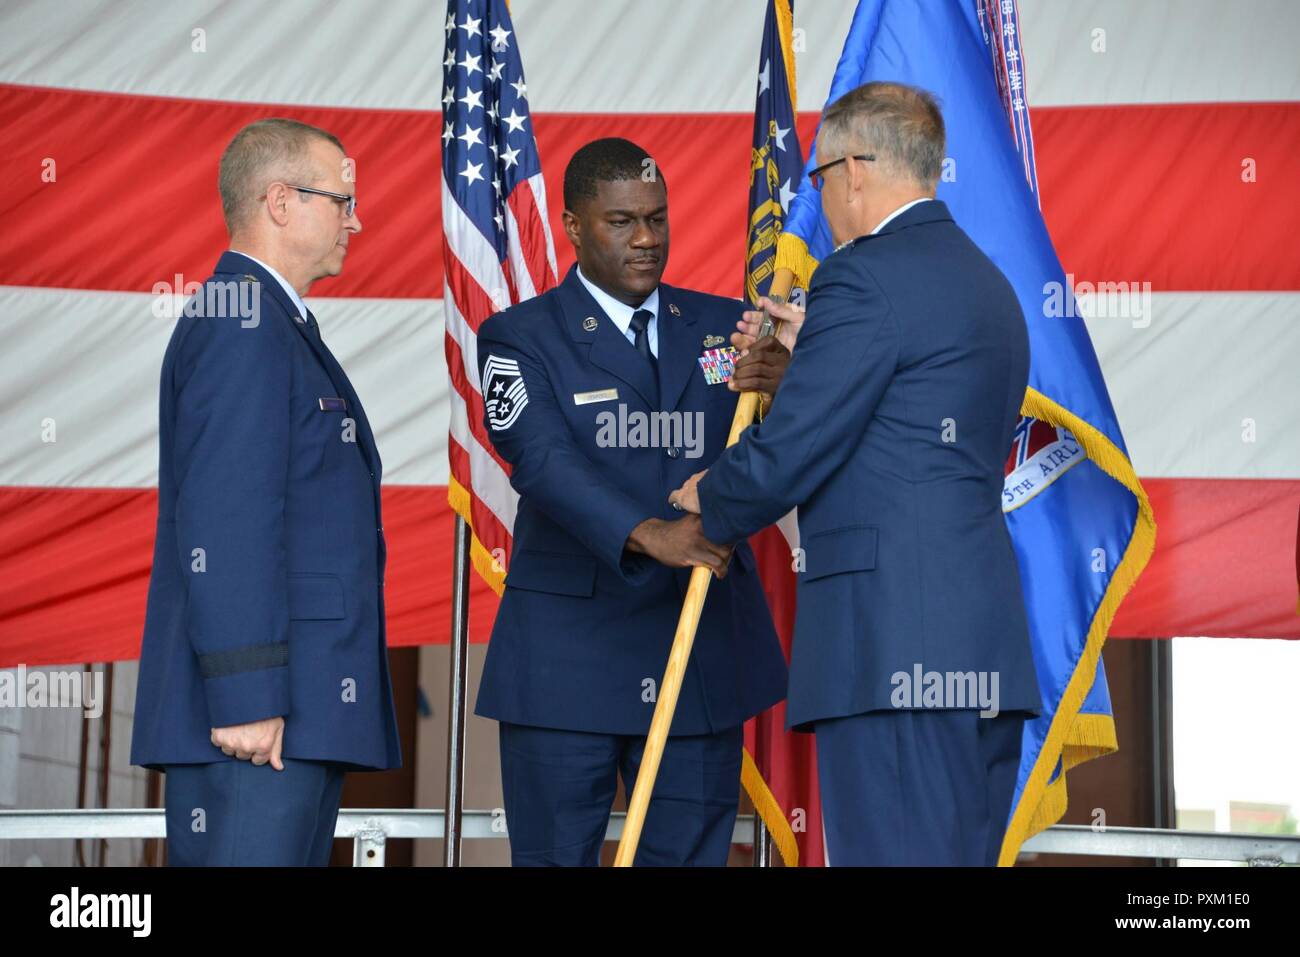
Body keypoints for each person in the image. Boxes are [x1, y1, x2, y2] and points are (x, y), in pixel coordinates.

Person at [670, 82, 1041, 866]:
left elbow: (799, 446)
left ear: (856, 169)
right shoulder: (990, 284)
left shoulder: (861, 277)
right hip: (979, 647)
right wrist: (815, 358)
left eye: (820, 178)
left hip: (891, 650)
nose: (823, 198)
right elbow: (905, 422)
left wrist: (715, 491)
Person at [475, 137, 788, 866]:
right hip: (566, 667)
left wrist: (788, 385)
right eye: (621, 222)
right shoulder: (517, 337)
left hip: (695, 658)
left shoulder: (729, 330)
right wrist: (652, 532)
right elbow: (542, 461)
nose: (646, 238)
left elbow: (788, 452)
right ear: (573, 226)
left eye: (657, 217)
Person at [131, 118, 400, 866]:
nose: (357, 218)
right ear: (280, 201)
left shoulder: (270, 319)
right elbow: (227, 518)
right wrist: (247, 694)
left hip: (293, 706)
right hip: (256, 718)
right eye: (342, 200)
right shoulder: (245, 320)